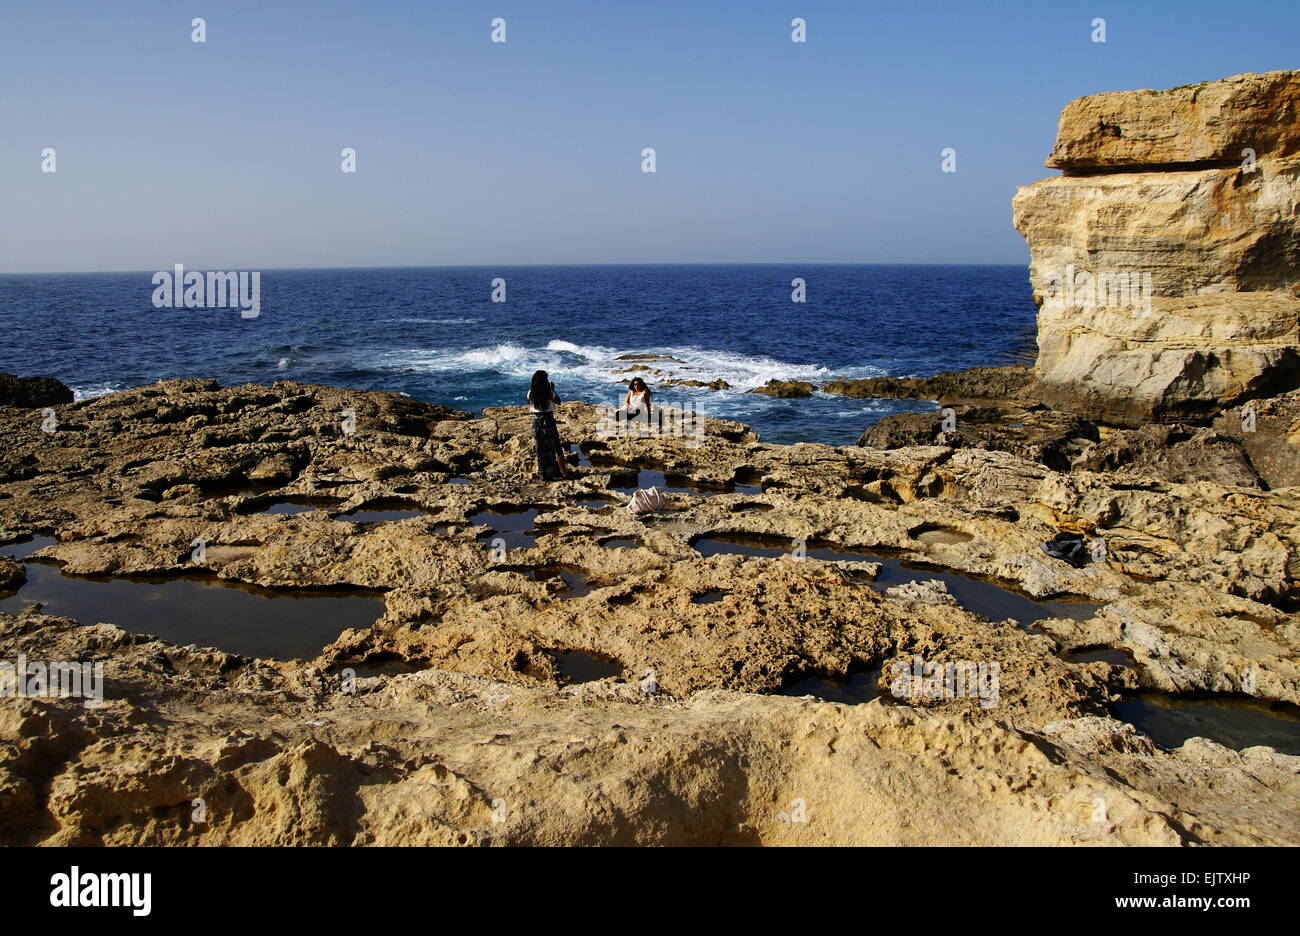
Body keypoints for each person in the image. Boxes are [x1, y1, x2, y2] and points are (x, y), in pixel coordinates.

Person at [528, 370, 569, 481]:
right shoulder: (549, 393)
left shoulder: (530, 393)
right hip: (548, 420)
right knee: (556, 447)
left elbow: (530, 403)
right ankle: (564, 473)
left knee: (540, 449)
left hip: (536, 422)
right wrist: (552, 389)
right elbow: (558, 402)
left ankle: (545, 474)